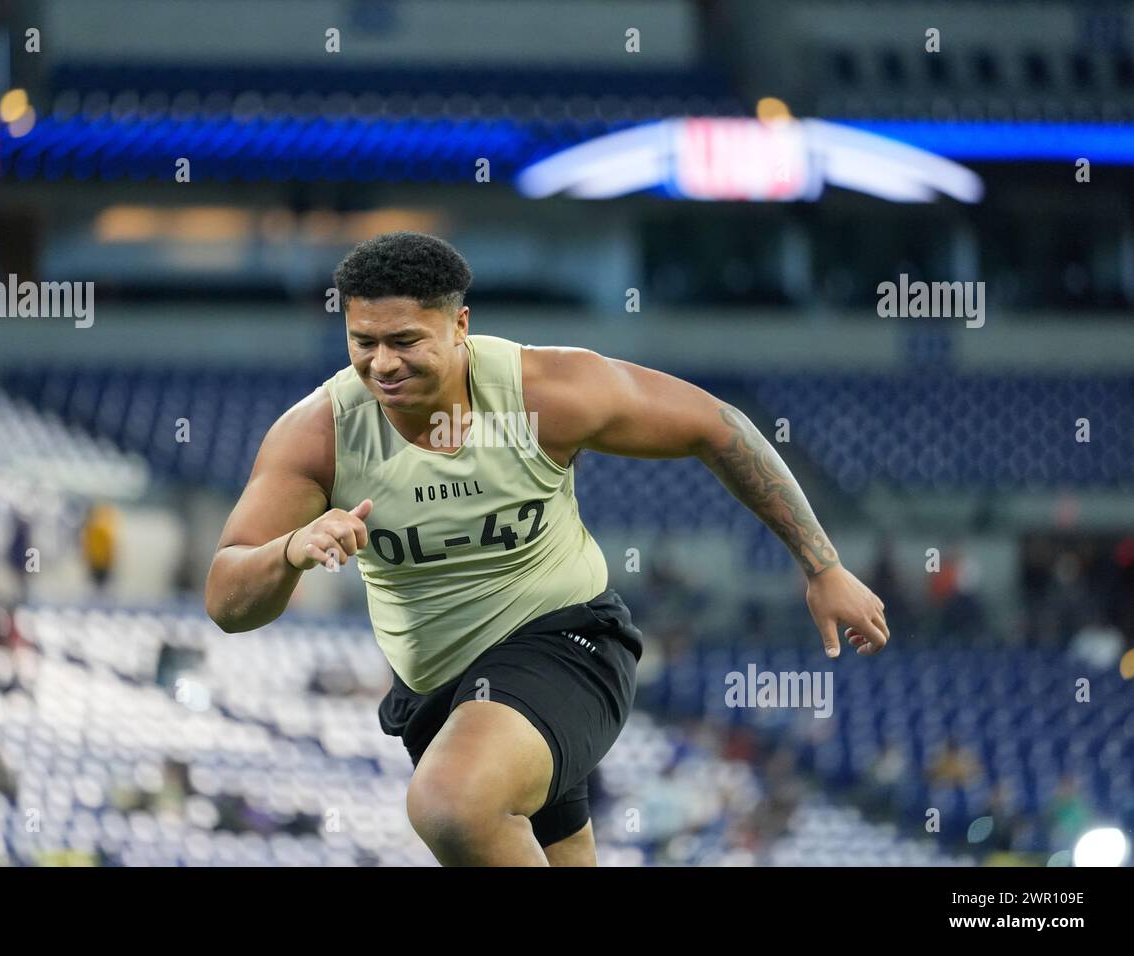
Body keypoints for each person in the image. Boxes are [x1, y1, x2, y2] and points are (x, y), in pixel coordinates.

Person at [205, 231, 889, 867]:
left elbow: (719, 428)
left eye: (406, 340)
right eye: (363, 341)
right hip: (442, 691)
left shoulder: (543, 392)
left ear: (460, 326)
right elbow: (227, 602)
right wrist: (291, 548)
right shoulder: (318, 433)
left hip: (566, 645)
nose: (381, 363)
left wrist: (822, 567)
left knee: (452, 805)